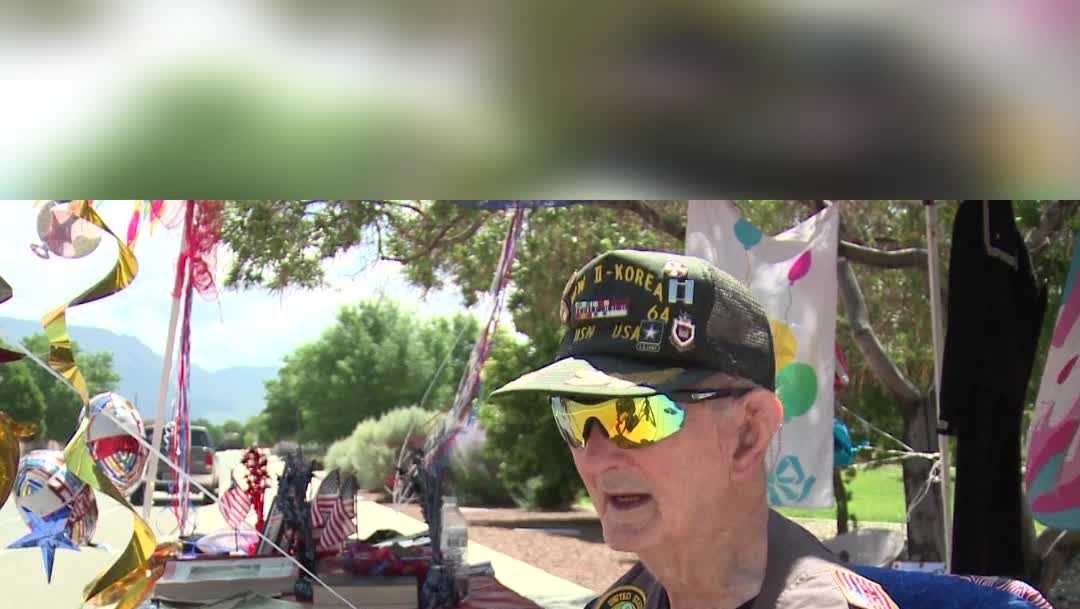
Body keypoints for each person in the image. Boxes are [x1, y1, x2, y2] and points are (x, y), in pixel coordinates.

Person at [491, 249, 899, 609]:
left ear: (748, 434)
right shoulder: (633, 597)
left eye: (636, 416)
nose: (595, 458)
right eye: (574, 417)